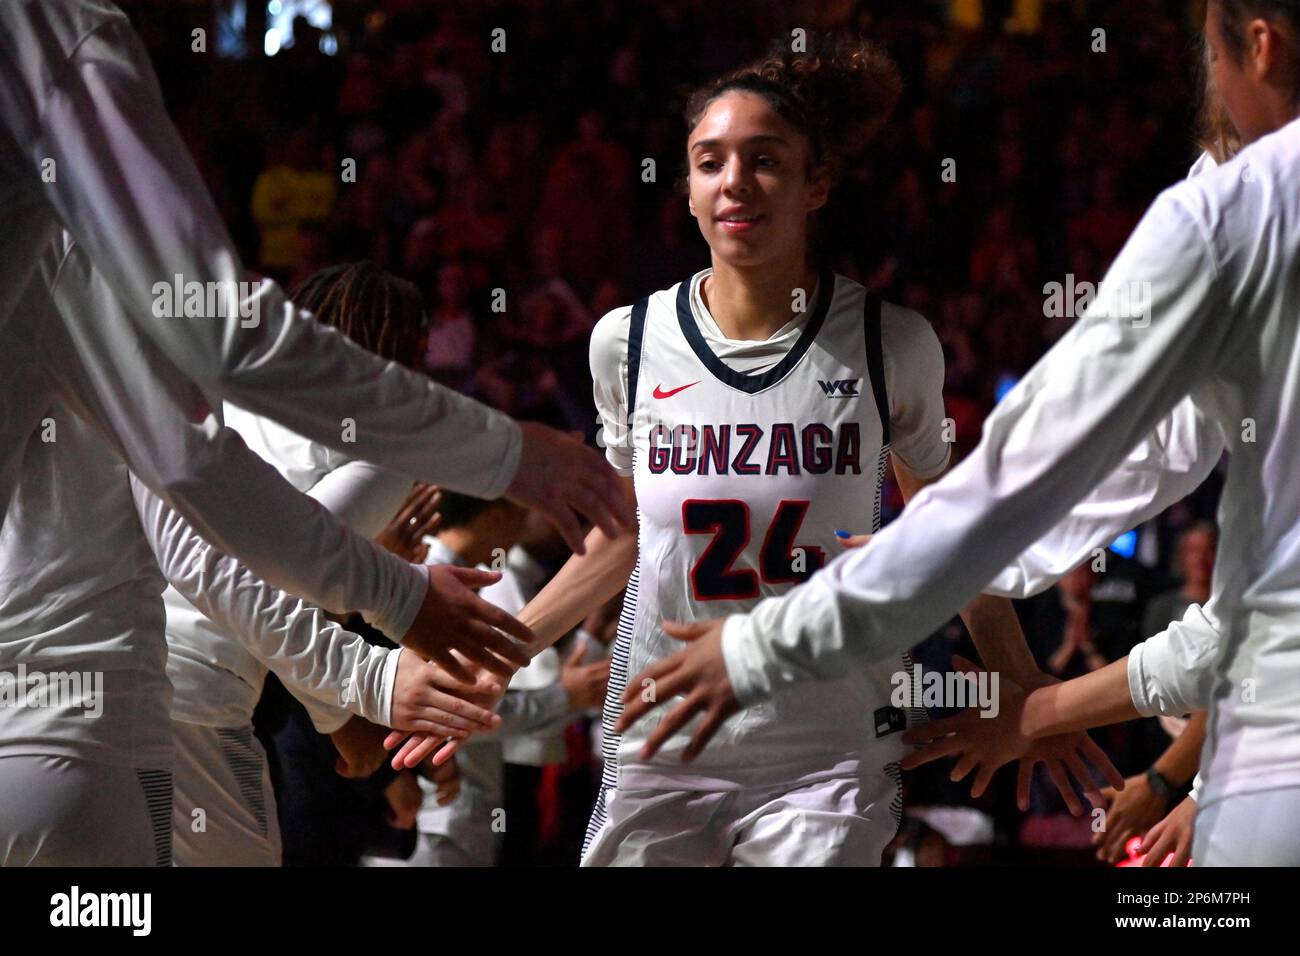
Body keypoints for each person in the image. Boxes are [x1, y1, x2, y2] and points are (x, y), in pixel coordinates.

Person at [392, 35, 1119, 865]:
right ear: (691, 191)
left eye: (764, 160)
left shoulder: (891, 344)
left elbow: (952, 533)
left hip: (830, 748)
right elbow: (622, 539)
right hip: (660, 736)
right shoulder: (624, 343)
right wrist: (501, 654)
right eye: (710, 161)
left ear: (817, 185)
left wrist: (1021, 685)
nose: (734, 180)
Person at [616, 0, 1300, 866]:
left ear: (1263, 46)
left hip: (1268, 755)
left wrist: (781, 634)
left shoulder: (1231, 207)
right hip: (674, 762)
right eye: (708, 162)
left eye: (1210, 53)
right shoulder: (628, 340)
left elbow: (1031, 477)